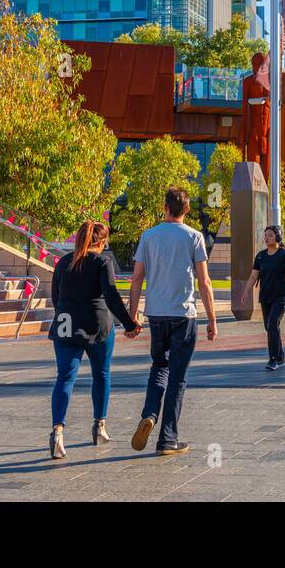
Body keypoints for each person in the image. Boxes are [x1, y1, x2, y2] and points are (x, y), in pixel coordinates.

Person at [128, 186, 218, 457]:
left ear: (165, 207)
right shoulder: (194, 237)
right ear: (186, 210)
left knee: (159, 366)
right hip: (183, 315)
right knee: (177, 378)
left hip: (156, 314)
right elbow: (204, 282)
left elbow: (136, 278)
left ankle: (150, 413)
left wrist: (133, 314)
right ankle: (167, 439)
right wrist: (212, 319)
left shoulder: (149, 236)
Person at [47, 220, 141, 460]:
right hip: (97, 326)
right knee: (101, 375)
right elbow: (110, 295)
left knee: (65, 378)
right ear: (102, 241)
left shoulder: (64, 262)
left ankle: (57, 430)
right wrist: (129, 323)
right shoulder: (102, 262)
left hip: (66, 326)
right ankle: (99, 426)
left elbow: (56, 297)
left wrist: (68, 312)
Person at [243, 225, 285, 370]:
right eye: (265, 235)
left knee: (272, 325)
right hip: (265, 297)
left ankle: (273, 359)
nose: (267, 238)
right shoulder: (261, 256)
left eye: (270, 235)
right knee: (270, 327)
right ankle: (281, 357)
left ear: (278, 237)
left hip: (280, 297)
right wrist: (246, 292)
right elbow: (254, 275)